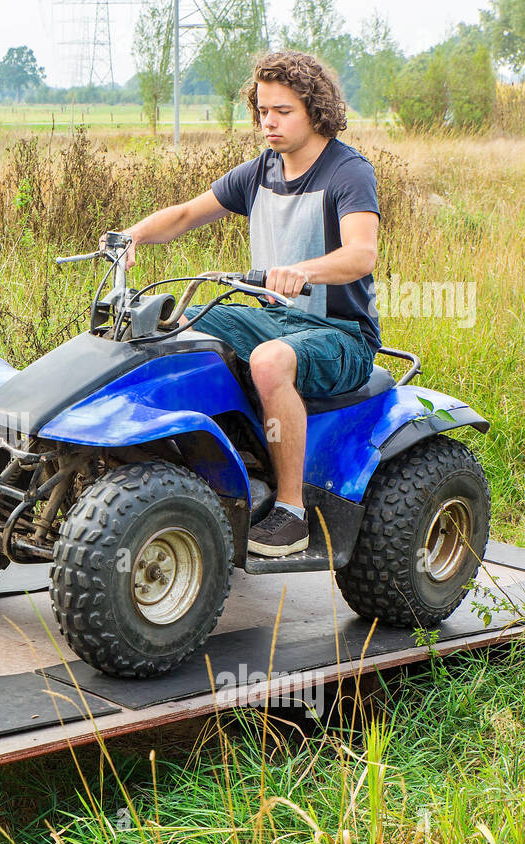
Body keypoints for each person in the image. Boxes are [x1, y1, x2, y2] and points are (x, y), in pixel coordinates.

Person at [104, 49, 380, 558]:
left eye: (282, 111)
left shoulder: (347, 173)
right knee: (178, 324)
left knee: (269, 361)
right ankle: (186, 465)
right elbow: (188, 214)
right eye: (262, 110)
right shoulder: (260, 170)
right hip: (276, 317)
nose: (268, 122)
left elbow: (362, 254)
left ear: (315, 110)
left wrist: (305, 270)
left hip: (341, 332)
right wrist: (131, 236)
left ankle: (291, 513)